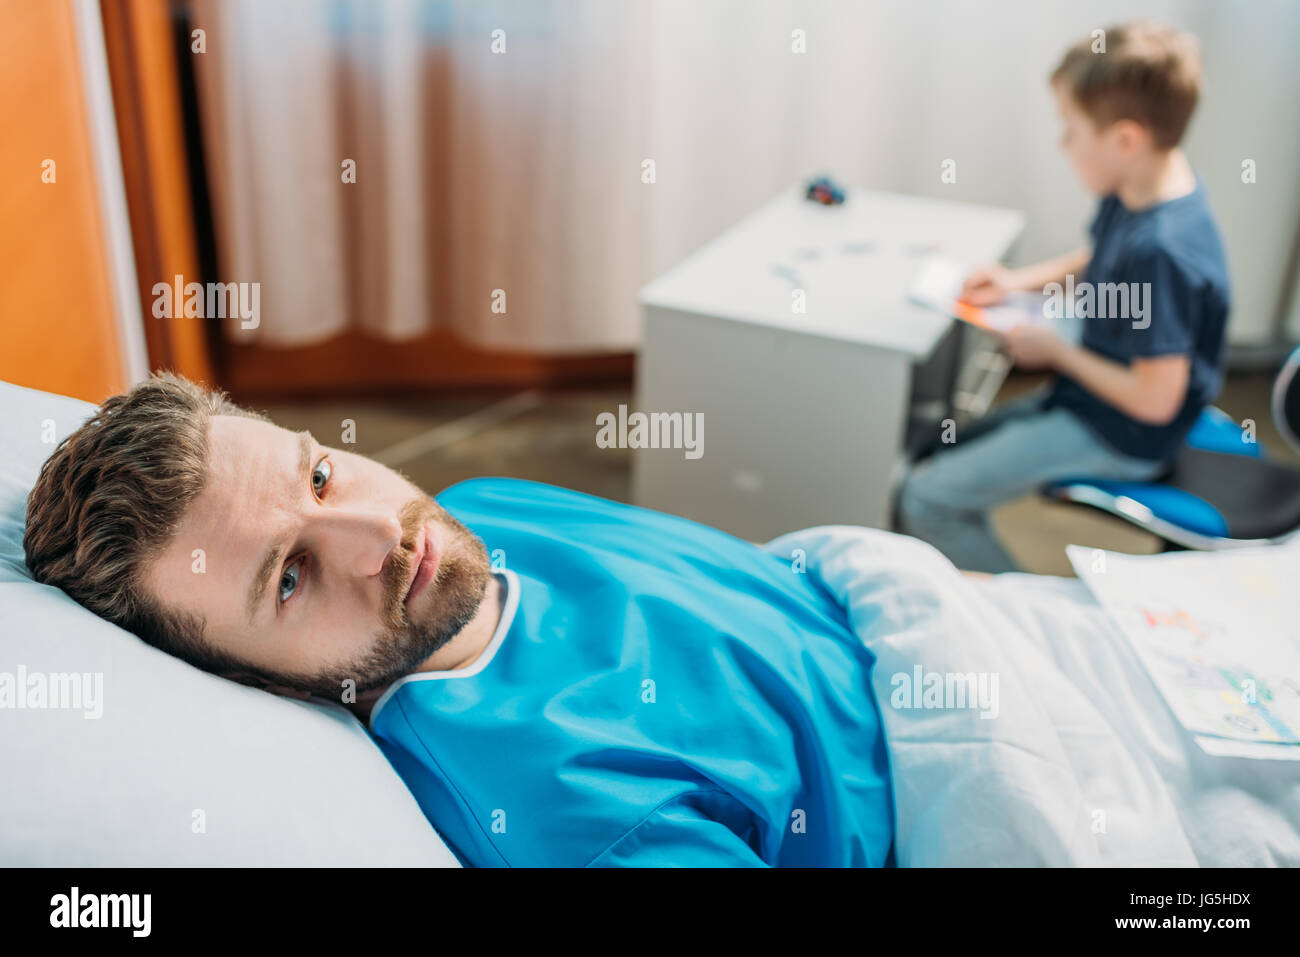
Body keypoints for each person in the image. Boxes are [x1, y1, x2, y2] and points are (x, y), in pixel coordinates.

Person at [23, 372, 893, 868]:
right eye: (290, 578)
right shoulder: (573, 816)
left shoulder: (479, 508)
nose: (382, 536)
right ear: (252, 677)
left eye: (319, 477)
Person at [898, 21, 1230, 573]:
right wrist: (1017, 282)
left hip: (1124, 432)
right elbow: (1097, 257)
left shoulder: (1163, 251)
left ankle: (1022, 616)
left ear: (1126, 140)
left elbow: (1155, 400)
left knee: (926, 496)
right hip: (1091, 395)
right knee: (940, 446)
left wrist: (1057, 353)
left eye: (1071, 130)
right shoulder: (1148, 186)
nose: (1063, 145)